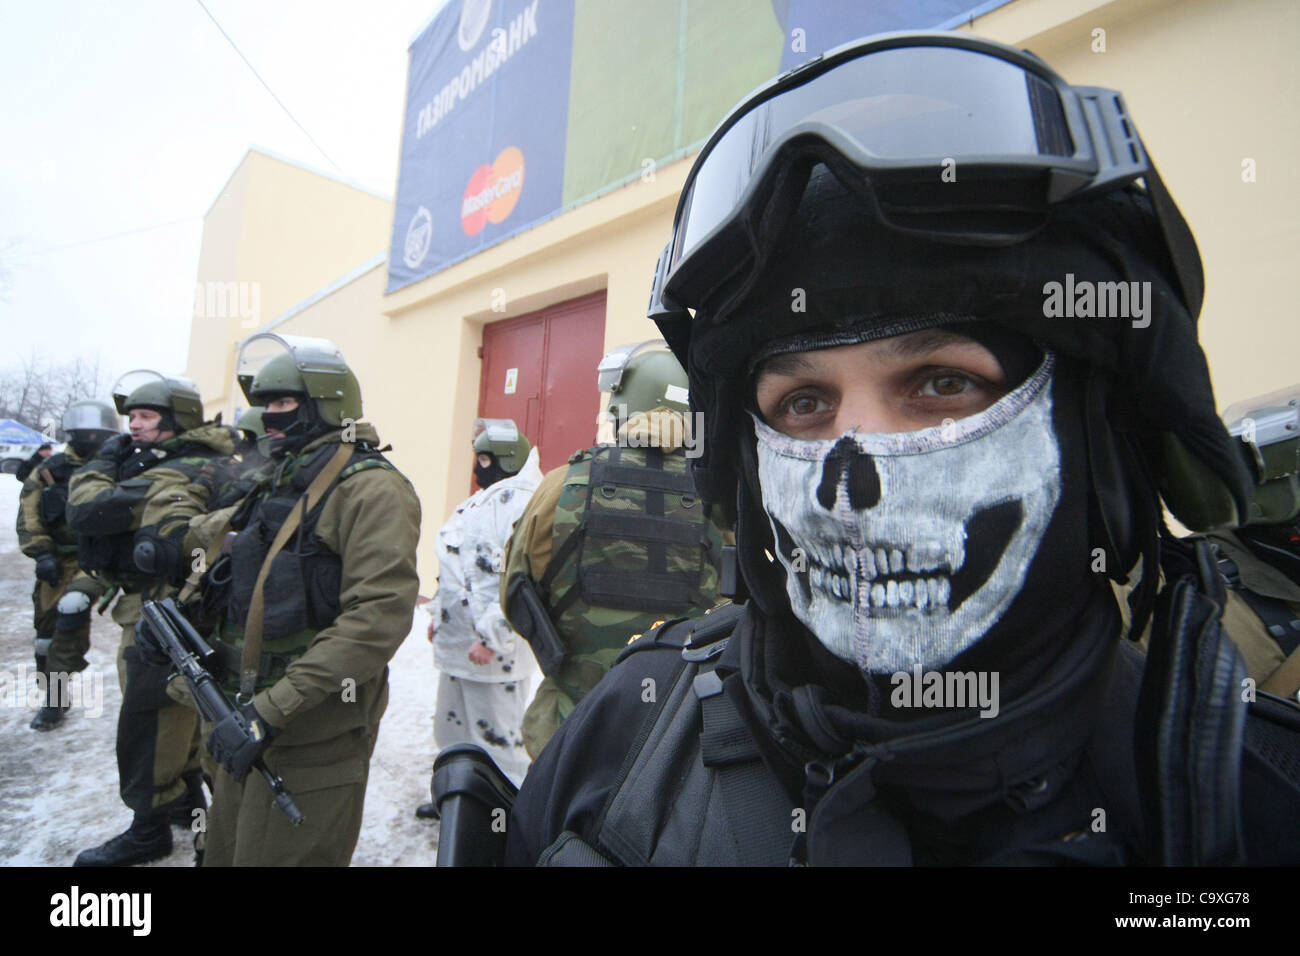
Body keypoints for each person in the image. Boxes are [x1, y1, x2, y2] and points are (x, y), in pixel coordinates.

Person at [505, 32, 1300, 866]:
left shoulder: (1257, 801)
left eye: (942, 384)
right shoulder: (629, 740)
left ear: (1093, 435)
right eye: (803, 402)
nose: (858, 476)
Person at [192, 333, 421, 866]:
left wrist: (272, 711)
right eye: (265, 404)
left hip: (310, 732)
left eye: (283, 403)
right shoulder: (282, 480)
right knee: (224, 855)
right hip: (239, 719)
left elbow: (378, 618)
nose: (269, 417)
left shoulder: (371, 489)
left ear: (327, 404)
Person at [500, 342, 727, 758]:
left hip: (571, 734)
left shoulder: (560, 485)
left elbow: (515, 593)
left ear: (623, 406)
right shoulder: (720, 499)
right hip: (679, 741)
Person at [67, 372, 234, 866]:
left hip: (162, 613)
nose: (133, 425)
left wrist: (101, 461)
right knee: (177, 713)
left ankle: (148, 829)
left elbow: (88, 509)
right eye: (131, 416)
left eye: (145, 416)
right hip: (173, 607)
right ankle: (185, 804)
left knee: (149, 717)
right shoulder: (190, 459)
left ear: (175, 421)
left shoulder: (178, 469)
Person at [426, 418, 541, 796]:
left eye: (486, 459)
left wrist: (493, 638)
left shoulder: (519, 505)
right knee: (453, 732)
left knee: (497, 743)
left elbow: (518, 581)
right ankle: (458, 797)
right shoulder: (486, 500)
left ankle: (502, 815)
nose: (477, 467)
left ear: (506, 460)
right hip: (460, 648)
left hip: (493, 658)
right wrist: (437, 617)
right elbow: (459, 566)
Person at [16, 402, 118, 730]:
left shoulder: (118, 467)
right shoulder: (50, 470)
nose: (90, 438)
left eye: (97, 434)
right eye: (84, 433)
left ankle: (54, 701)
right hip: (59, 558)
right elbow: (29, 515)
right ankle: (53, 692)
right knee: (45, 636)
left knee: (72, 611)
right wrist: (42, 552)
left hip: (96, 561)